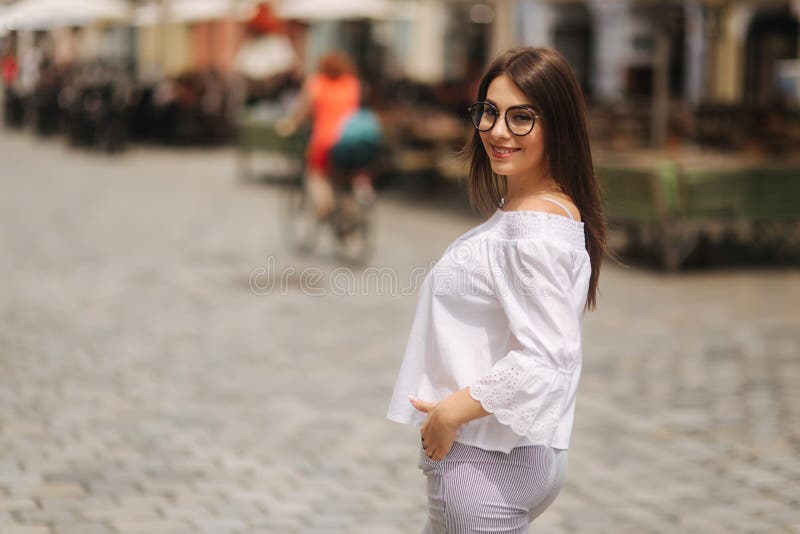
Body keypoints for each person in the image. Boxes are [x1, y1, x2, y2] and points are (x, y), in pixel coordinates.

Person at [386, 47, 608, 533]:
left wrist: (450, 413)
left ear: (559, 126)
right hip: (499, 452)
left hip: (486, 460)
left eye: (521, 117)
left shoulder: (534, 229)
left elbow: (546, 358)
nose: (498, 130)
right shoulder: (538, 212)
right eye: (489, 112)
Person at [278, 52, 363, 219]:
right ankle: (351, 214)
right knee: (345, 176)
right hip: (353, 138)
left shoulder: (317, 83)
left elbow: (302, 111)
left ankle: (325, 206)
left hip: (325, 140)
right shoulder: (352, 84)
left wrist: (292, 124)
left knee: (315, 174)